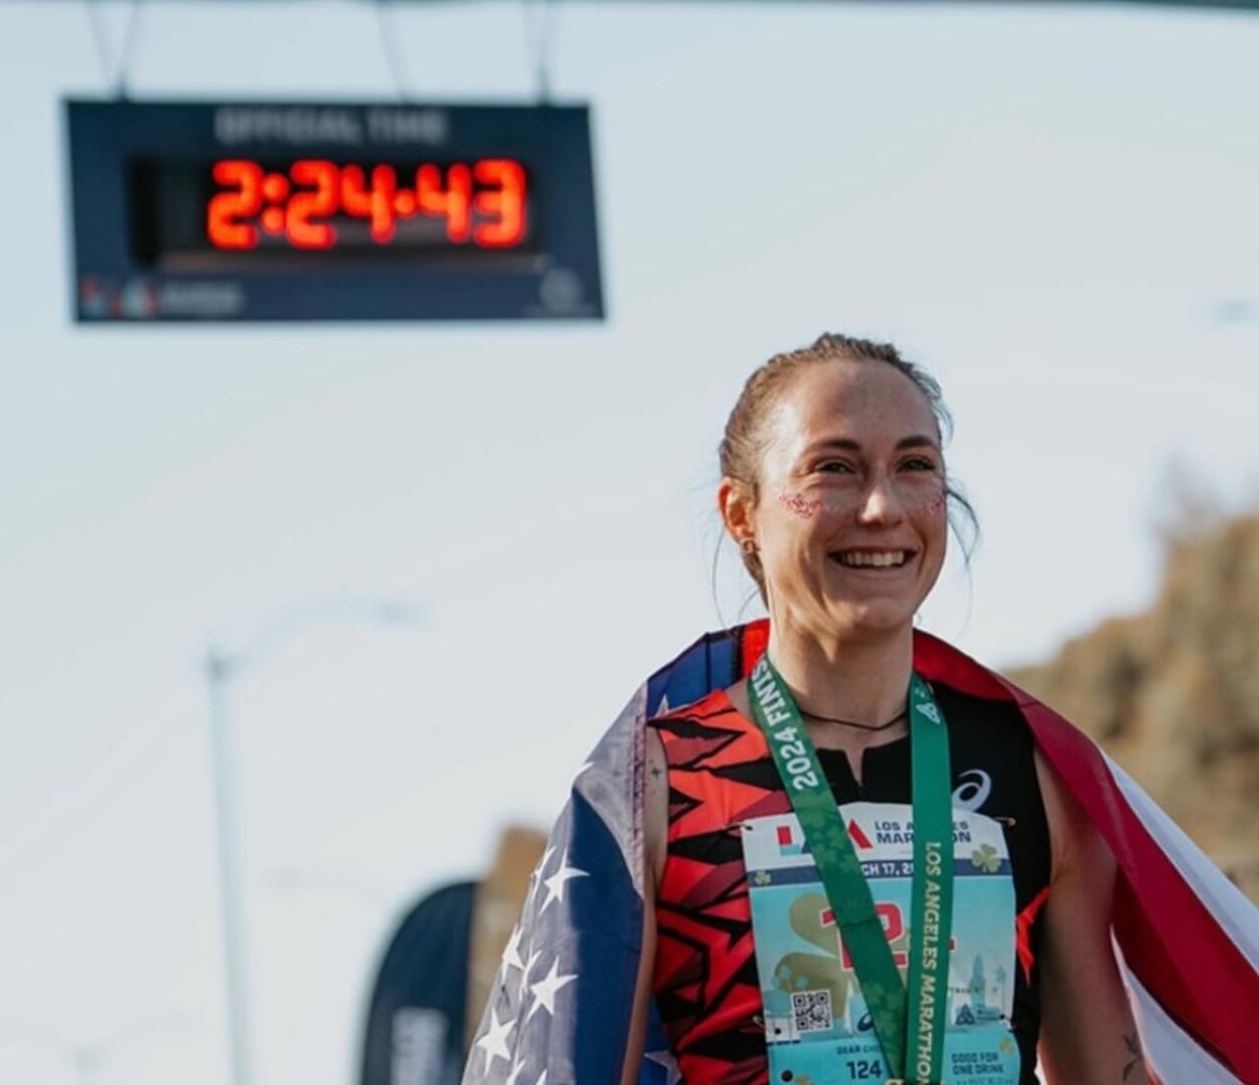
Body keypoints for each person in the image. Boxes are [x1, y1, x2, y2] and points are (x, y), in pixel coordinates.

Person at [462, 334, 1259, 1085]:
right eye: (833, 469)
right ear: (741, 513)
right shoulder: (659, 785)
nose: (882, 508)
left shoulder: (1034, 773)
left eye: (915, 465)